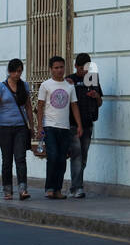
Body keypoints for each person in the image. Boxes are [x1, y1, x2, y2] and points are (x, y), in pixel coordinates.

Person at [34, 55, 81, 200]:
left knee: (62, 159)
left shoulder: (69, 86)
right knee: (53, 156)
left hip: (65, 127)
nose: (59, 70)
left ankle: (58, 189)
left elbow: (74, 106)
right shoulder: (45, 85)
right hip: (50, 126)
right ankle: (49, 188)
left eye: (61, 67)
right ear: (50, 69)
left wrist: (79, 125)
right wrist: (40, 126)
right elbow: (40, 106)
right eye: (56, 68)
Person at [0, 58, 34, 200]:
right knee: (7, 159)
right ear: (9, 72)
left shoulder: (24, 86)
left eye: (20, 71)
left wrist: (31, 126)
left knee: (21, 158)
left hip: (20, 127)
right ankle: (7, 190)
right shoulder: (1, 87)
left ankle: (23, 189)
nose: (18, 74)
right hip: (4, 128)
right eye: (15, 71)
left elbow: (28, 107)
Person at [65, 53, 102, 198]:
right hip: (72, 124)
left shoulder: (93, 80)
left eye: (87, 68)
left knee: (83, 156)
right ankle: (76, 188)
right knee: (77, 155)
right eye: (81, 68)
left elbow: (100, 103)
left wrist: (96, 96)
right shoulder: (69, 80)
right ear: (76, 67)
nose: (84, 71)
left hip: (88, 123)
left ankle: (76, 184)